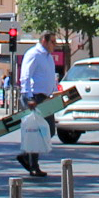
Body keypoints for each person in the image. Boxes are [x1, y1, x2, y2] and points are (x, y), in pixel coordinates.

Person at [15, 32, 60, 178]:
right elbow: (26, 76)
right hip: (34, 98)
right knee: (37, 130)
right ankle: (33, 166)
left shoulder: (48, 57)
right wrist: (28, 97)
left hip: (45, 98)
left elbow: (47, 77)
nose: (55, 45)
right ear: (44, 41)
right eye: (53, 42)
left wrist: (54, 91)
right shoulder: (34, 54)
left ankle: (26, 156)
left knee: (50, 130)